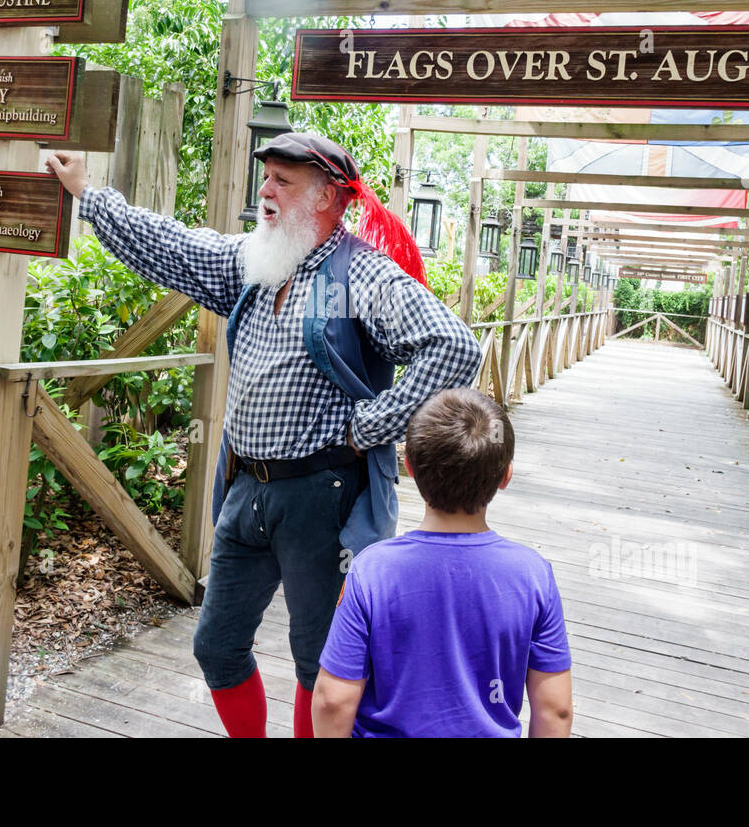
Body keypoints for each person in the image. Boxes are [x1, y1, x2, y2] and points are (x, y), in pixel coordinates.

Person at [46, 134, 481, 738]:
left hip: (323, 496)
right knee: (217, 647)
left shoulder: (360, 275)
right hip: (245, 488)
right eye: (266, 178)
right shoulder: (255, 263)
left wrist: (370, 426)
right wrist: (88, 195)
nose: (266, 192)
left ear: (329, 196)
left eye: (284, 181)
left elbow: (454, 345)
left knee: (321, 664)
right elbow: (169, 246)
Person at [312, 387, 574, 737]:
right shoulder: (532, 574)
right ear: (505, 477)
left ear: (410, 469)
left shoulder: (372, 571)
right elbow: (556, 710)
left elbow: (332, 700)